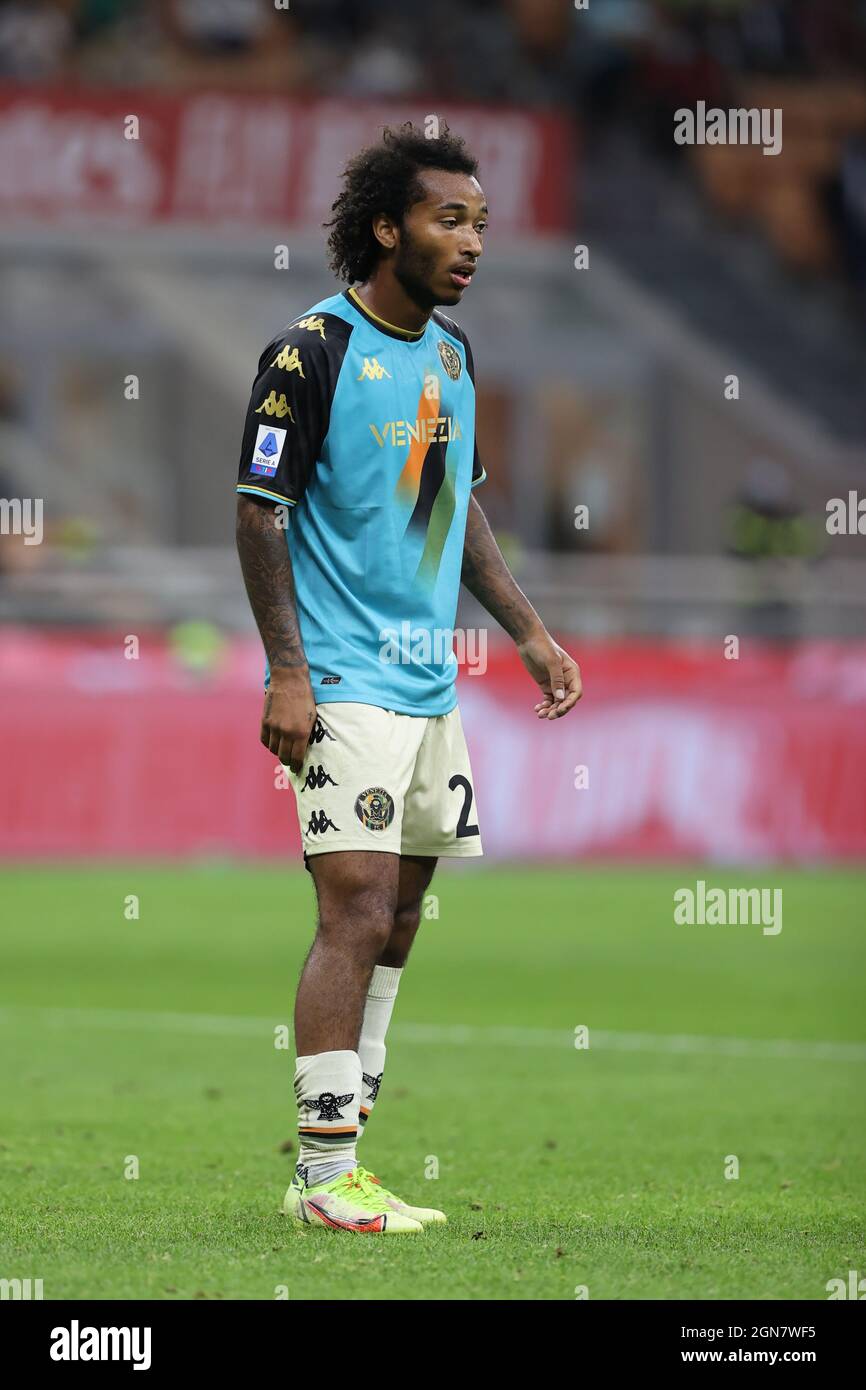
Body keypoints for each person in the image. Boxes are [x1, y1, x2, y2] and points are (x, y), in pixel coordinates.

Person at [235, 123, 582, 1235]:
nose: (472, 241)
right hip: (341, 682)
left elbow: (455, 504)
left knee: (401, 918)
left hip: (427, 687)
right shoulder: (310, 353)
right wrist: (289, 671)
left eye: (479, 222)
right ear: (388, 228)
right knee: (356, 908)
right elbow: (258, 511)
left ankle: (341, 1147)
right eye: (449, 219)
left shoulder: (448, 358)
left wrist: (525, 628)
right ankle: (326, 1172)